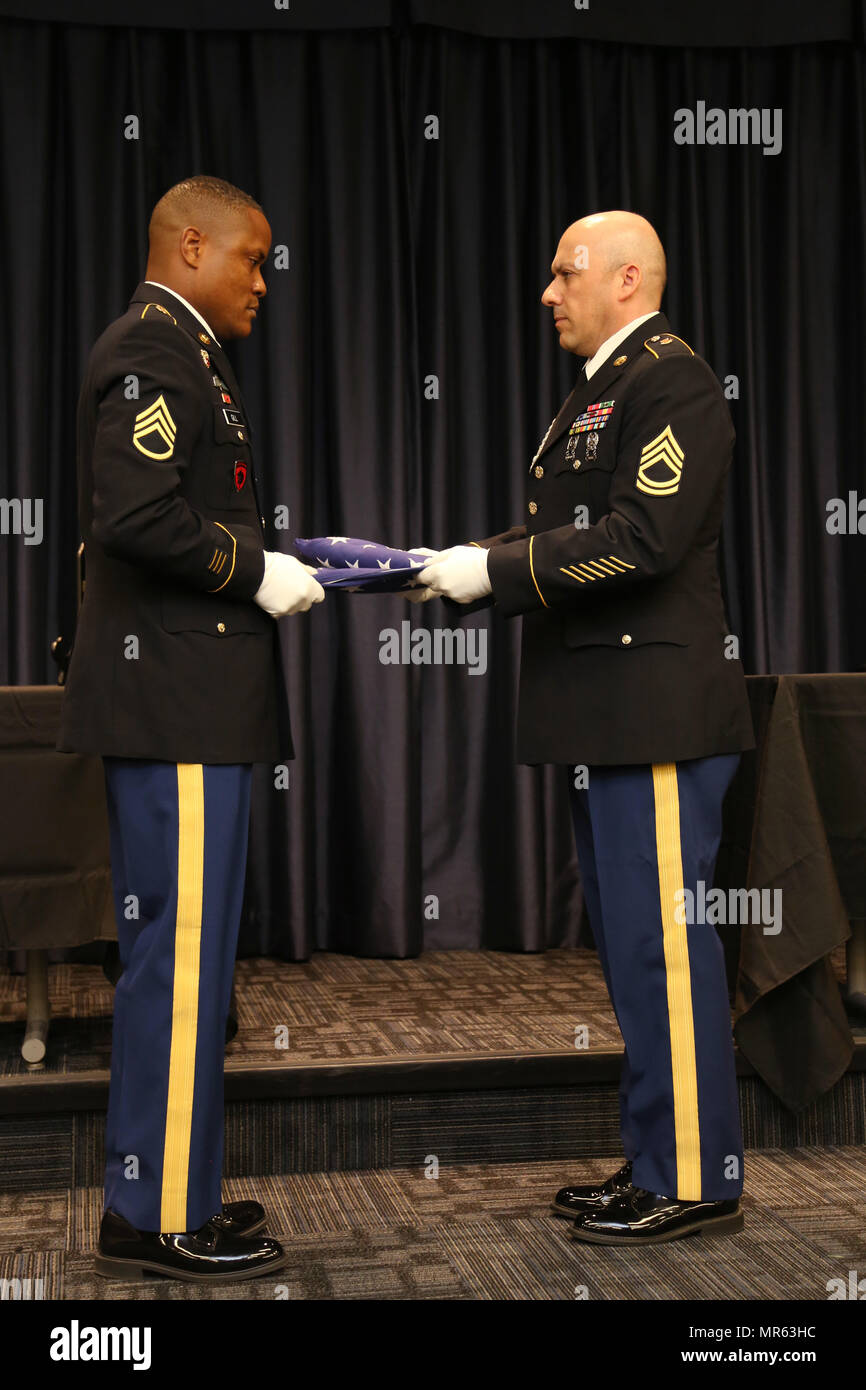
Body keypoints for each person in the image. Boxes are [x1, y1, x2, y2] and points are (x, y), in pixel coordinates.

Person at [418, 211, 755, 1245]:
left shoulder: (672, 380)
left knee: (663, 952)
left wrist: (499, 571)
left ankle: (695, 1174)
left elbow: (642, 541)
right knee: (628, 954)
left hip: (650, 715)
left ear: (626, 276)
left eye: (563, 273)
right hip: (609, 718)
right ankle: (654, 1157)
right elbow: (570, 528)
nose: (546, 292)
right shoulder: (605, 388)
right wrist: (462, 562)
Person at [58, 175, 324, 1282]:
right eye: (252, 260)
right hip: (177, 704)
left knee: (191, 967)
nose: (263, 282)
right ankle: (157, 1211)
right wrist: (254, 567)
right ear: (192, 244)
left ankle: (176, 1185)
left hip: (191, 701)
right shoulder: (150, 347)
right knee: (178, 964)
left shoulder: (191, 353)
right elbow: (137, 515)